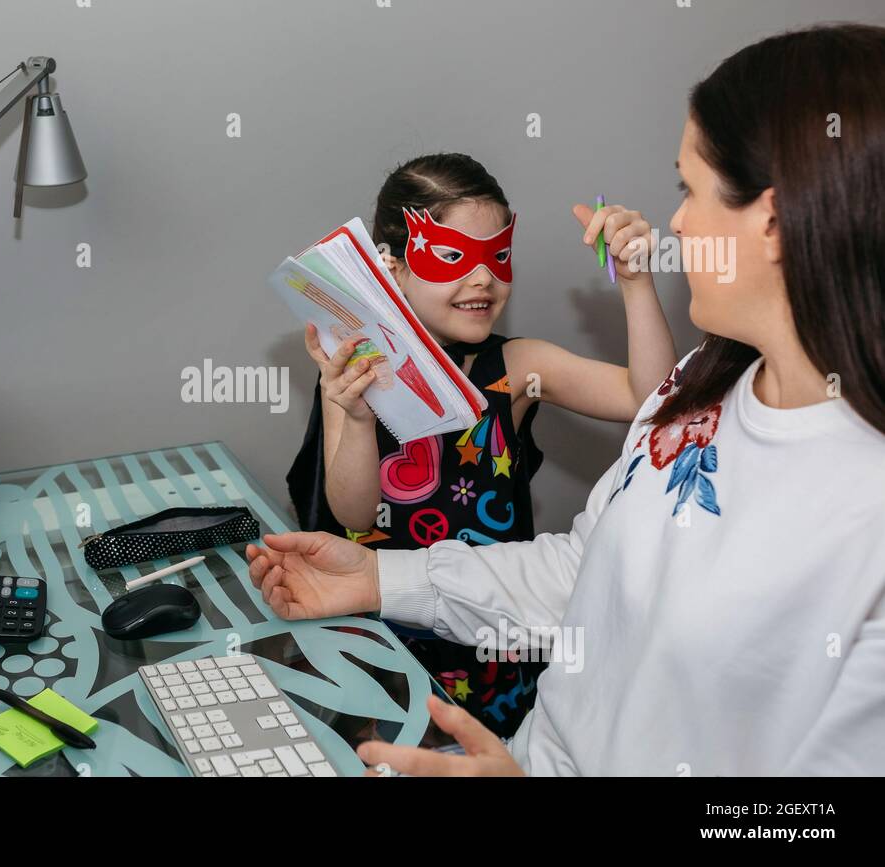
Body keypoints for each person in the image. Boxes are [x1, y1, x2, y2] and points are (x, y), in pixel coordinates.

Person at [259, 24, 885, 775]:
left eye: (690, 187)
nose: (677, 220)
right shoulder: (694, 390)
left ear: (777, 221)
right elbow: (588, 572)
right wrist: (376, 578)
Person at [287, 153, 677, 735]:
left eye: (498, 256)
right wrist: (358, 417)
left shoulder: (516, 367)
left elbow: (653, 401)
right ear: (390, 269)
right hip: (385, 637)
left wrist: (638, 282)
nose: (483, 279)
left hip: (494, 640)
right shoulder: (353, 371)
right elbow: (354, 512)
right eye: (451, 256)